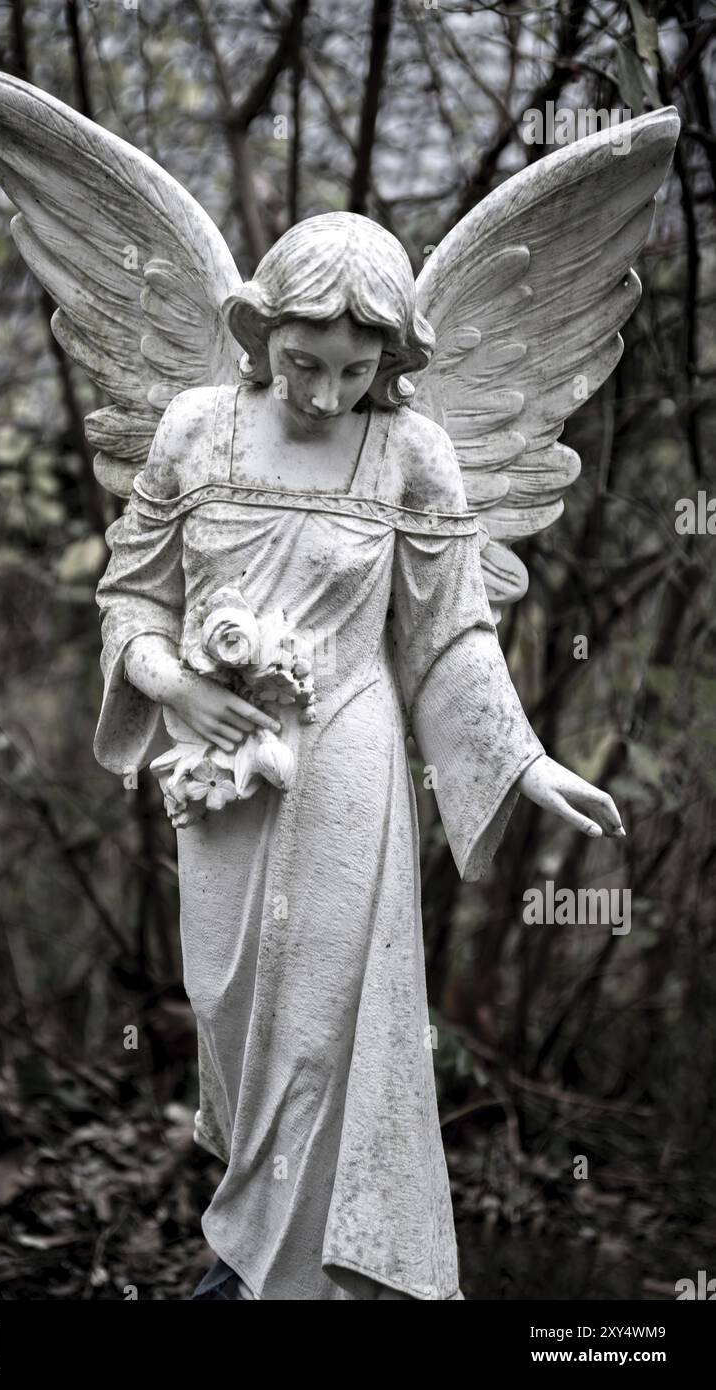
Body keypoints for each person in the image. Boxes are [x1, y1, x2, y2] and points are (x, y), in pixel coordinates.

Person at [92, 214, 623, 1300]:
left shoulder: (411, 451)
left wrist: (525, 762)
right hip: (218, 777)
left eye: (356, 369)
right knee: (241, 1023)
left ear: (395, 361)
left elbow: (450, 639)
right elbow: (130, 602)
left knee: (325, 1026)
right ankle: (261, 1254)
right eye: (302, 364)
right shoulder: (196, 431)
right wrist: (178, 684)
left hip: (347, 767)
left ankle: (307, 1283)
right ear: (258, 330)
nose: (328, 394)